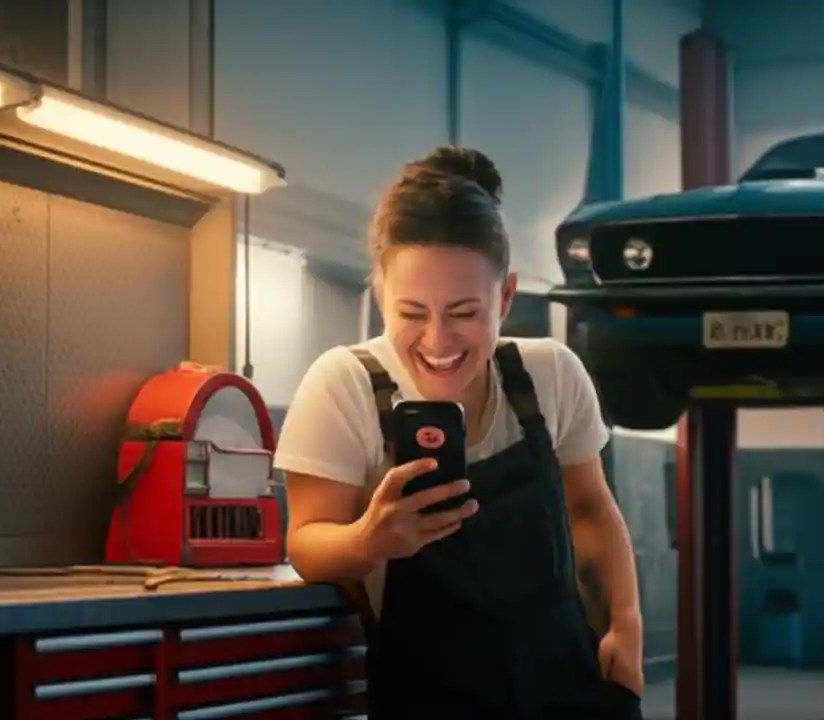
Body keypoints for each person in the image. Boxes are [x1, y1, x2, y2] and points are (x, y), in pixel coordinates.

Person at [274, 145, 644, 719]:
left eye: (465, 313)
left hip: (570, 692)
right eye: (413, 313)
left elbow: (591, 510)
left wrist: (626, 626)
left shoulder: (548, 376)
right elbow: (305, 542)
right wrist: (370, 541)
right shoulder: (345, 386)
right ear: (380, 296)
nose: (438, 341)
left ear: (507, 296)